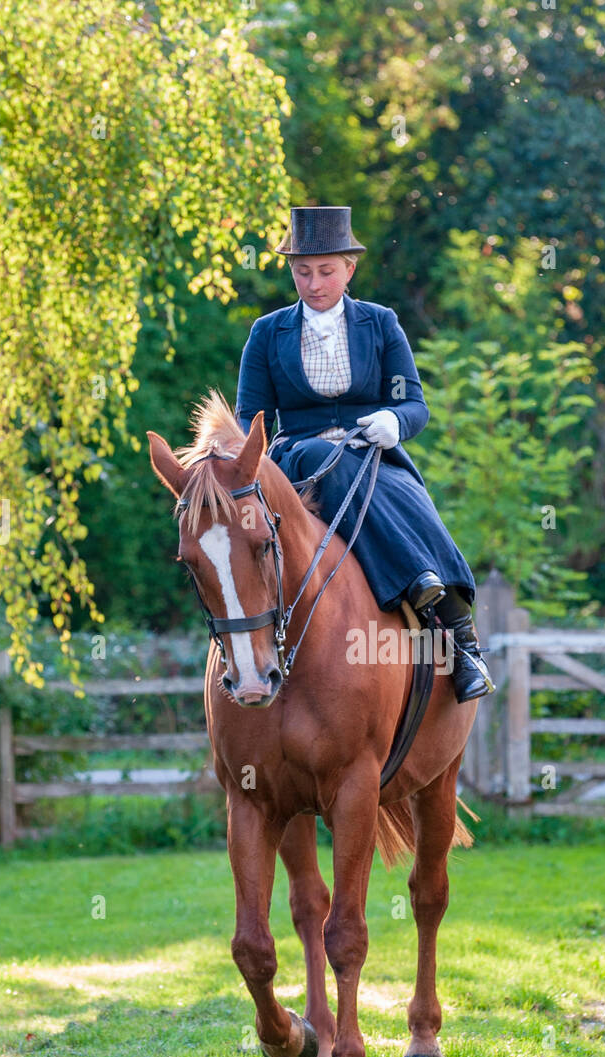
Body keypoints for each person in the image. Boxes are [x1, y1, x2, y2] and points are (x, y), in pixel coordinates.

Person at [236, 205, 493, 703]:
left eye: (326, 271)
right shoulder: (266, 334)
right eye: (303, 272)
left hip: (373, 452)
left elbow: (414, 403)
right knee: (317, 458)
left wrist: (395, 422)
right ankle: (413, 578)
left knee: (420, 508)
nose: (313, 284)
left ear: (349, 269)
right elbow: (253, 423)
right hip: (298, 460)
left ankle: (462, 643)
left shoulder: (381, 323)